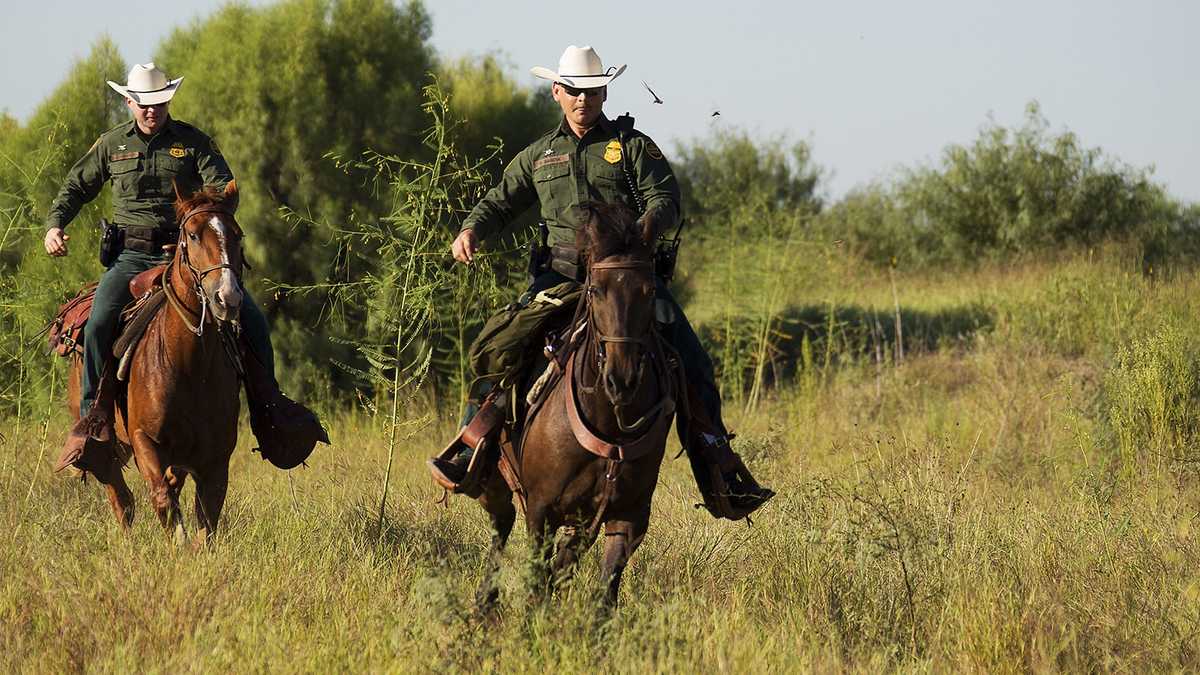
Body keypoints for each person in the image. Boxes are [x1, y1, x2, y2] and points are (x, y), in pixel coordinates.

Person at [429, 46, 773, 519]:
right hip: (559, 278)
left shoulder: (633, 146)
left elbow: (665, 197)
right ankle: (472, 449)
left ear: (604, 93)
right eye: (574, 91)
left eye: (592, 92)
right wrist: (470, 229)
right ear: (557, 92)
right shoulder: (538, 155)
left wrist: (644, 231)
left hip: (623, 282)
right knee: (495, 347)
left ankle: (720, 469)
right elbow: (500, 201)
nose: (583, 99)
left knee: (691, 360)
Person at [45, 63, 326, 473]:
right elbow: (76, 186)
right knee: (99, 321)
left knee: (253, 320)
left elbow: (223, 185)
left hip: (185, 255)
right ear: (129, 103)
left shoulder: (193, 142)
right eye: (143, 104)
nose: (151, 111)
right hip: (130, 258)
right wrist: (55, 225)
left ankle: (271, 411)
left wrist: (206, 211)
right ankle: (92, 420)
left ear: (168, 101)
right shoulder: (111, 144)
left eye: (158, 103)